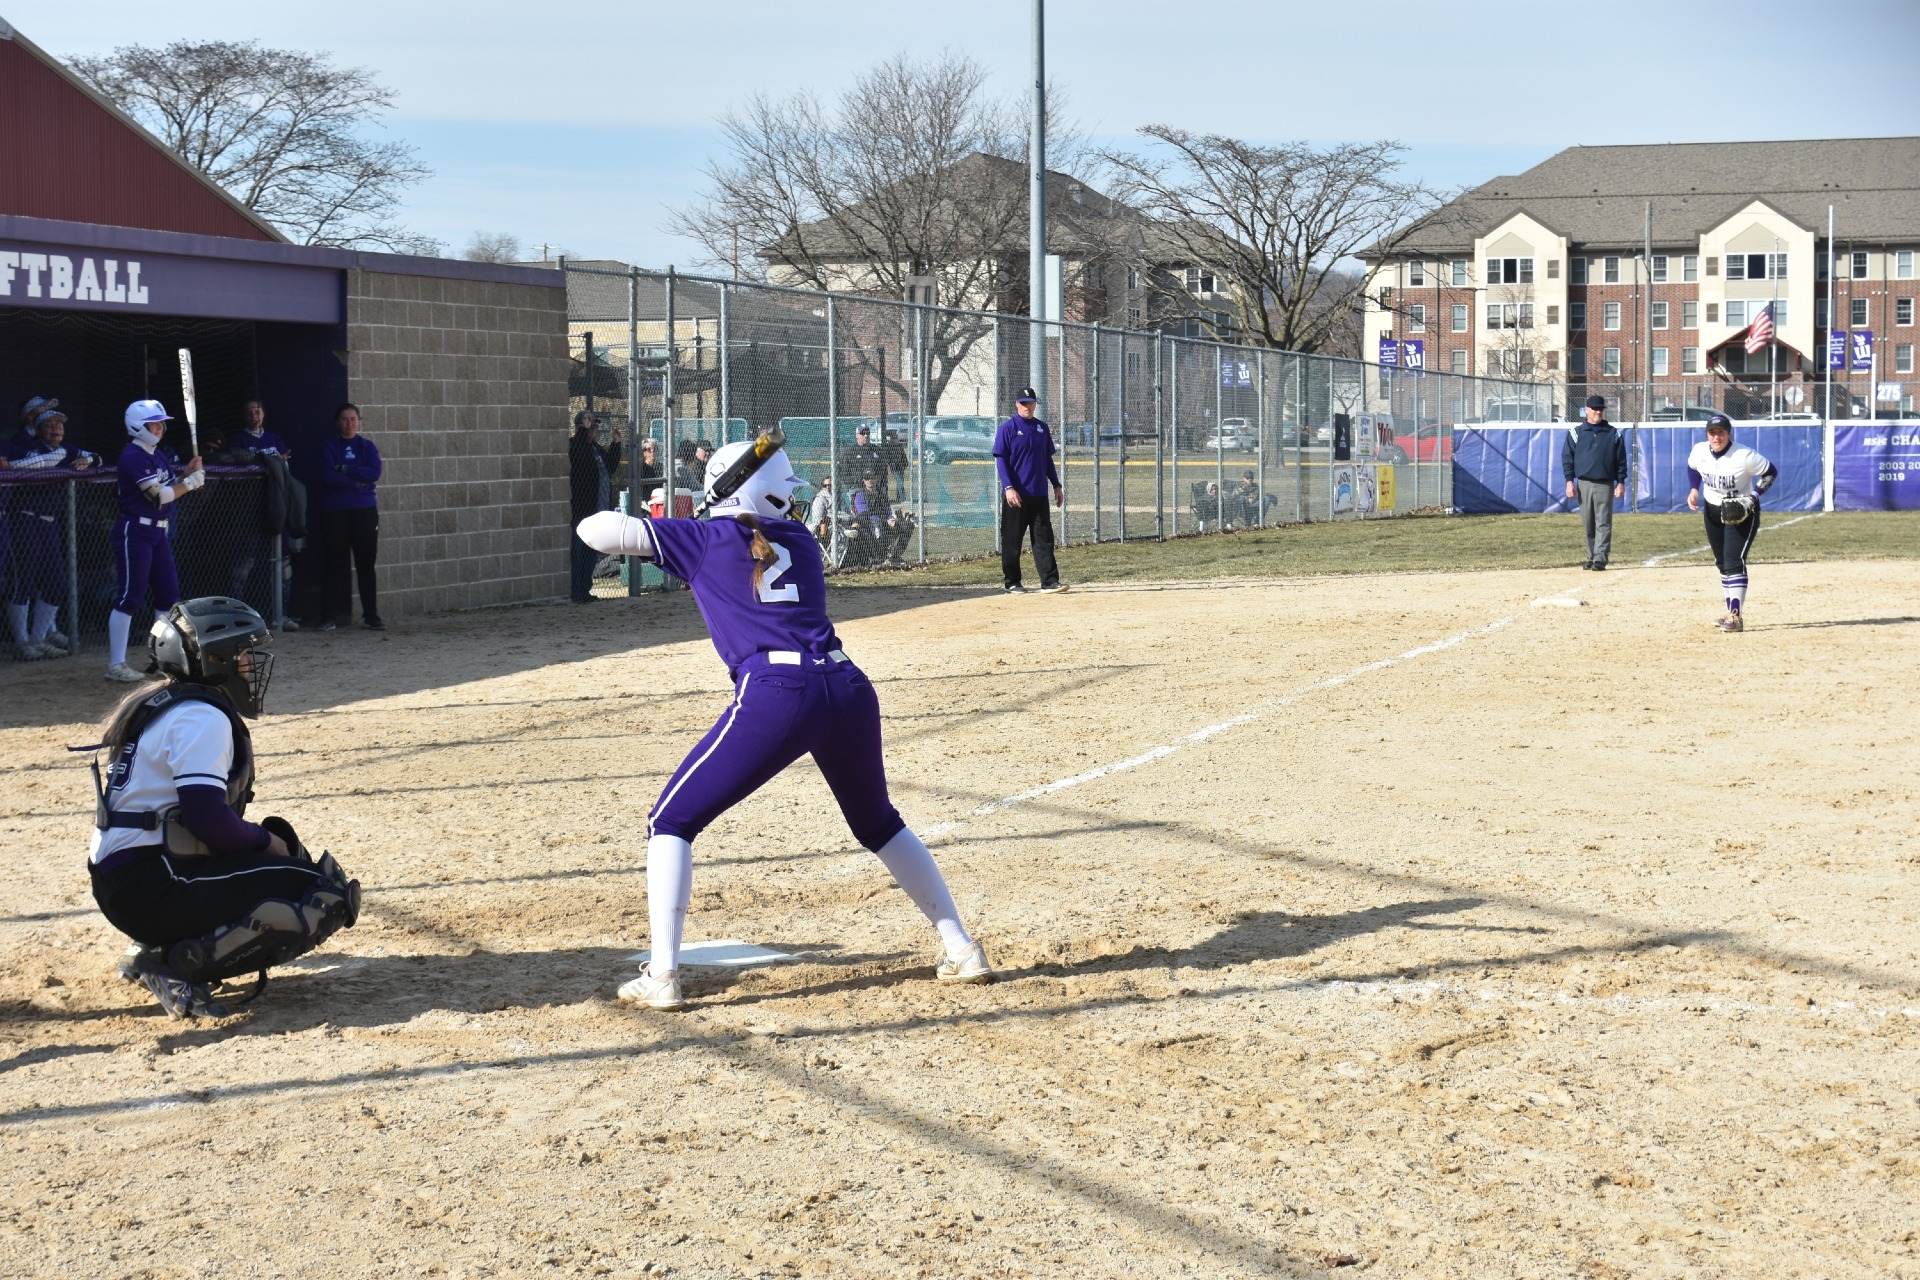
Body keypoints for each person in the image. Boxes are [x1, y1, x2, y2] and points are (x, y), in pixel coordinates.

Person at [575, 437, 992, 1010]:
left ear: (723, 492)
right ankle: (962, 947)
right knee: (878, 824)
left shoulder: (708, 537)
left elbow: (593, 531)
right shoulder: (798, 538)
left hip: (778, 692)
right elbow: (751, 543)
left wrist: (688, 519)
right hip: (846, 687)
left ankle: (664, 976)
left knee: (670, 820)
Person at [86, 596, 360, 1019]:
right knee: (323, 893)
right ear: (216, 659)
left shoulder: (165, 704)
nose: (252, 662)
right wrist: (265, 842)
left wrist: (267, 842)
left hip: (132, 878)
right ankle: (173, 964)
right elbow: (205, 818)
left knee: (285, 848)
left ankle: (158, 941)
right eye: (244, 652)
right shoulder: (200, 716)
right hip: (151, 881)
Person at [106, 400, 203, 682]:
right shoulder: (133, 456)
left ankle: (164, 659)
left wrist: (187, 472)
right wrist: (191, 483)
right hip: (135, 531)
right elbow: (158, 495)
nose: (159, 428)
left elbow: (173, 483)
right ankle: (116, 665)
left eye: (161, 423)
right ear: (138, 427)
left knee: (169, 595)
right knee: (131, 596)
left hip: (158, 532)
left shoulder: (157, 454)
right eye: (153, 423)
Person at [4, 405, 93, 658]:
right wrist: (69, 457)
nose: (56, 429)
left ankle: (39, 639)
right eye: (49, 425)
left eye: (59, 425)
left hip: (49, 523)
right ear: (38, 430)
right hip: (24, 520)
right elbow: (36, 462)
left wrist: (88, 459)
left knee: (57, 583)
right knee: (24, 580)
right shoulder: (31, 448)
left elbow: (94, 456)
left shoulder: (66, 450)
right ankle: (22, 643)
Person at [1686, 415, 1777, 633]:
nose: (1716, 437)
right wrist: (1694, 489)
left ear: (1729, 434)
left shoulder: (1744, 455)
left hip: (1741, 511)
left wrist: (1753, 496)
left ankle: (1736, 617)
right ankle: (1729, 612)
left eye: (1721, 432)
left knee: (1734, 561)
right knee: (1722, 562)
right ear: (1707, 434)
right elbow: (1692, 467)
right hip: (1712, 510)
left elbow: (1770, 472)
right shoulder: (1699, 450)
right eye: (1712, 432)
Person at [317, 402, 383, 631]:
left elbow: (374, 472)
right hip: (335, 512)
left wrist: (344, 468)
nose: (349, 424)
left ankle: (371, 615)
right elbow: (328, 476)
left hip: (364, 511)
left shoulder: (367, 446)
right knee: (334, 565)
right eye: (345, 419)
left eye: (353, 419)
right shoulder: (329, 447)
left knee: (366, 564)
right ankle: (329, 617)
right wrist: (357, 482)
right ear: (338, 422)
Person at [993, 387, 1065, 593]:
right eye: (1023, 403)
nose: (1027, 407)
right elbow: (1001, 460)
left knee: (1044, 539)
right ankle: (1012, 582)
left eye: (1030, 403)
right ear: (1017, 404)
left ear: (1035, 404)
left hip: (1039, 493)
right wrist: (1008, 488)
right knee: (1012, 540)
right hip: (1016, 495)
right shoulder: (1007, 428)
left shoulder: (1041, 428)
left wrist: (1056, 485)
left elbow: (1047, 459)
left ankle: (1049, 581)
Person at [1561, 394, 1627, 570]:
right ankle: (1591, 557)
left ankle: (1600, 558)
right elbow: (1567, 458)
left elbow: (1621, 461)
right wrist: (1569, 482)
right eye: (1595, 409)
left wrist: (1620, 482)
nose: (1598, 412)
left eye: (1601, 409)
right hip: (1583, 483)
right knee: (1588, 522)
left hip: (1605, 483)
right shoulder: (1576, 433)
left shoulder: (1613, 433)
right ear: (1587, 410)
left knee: (1603, 522)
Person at [568, 411, 623, 602]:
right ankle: (576, 590)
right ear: (579, 428)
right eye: (590, 427)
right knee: (579, 550)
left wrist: (616, 444)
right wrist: (583, 430)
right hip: (581, 508)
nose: (594, 431)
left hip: (596, 509)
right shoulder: (575, 446)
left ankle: (585, 589)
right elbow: (579, 457)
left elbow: (611, 466)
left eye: (595, 428)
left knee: (591, 550)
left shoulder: (596, 449)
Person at [846, 424, 887, 489]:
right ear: (857, 435)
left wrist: (881, 484)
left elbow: (884, 469)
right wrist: (851, 485)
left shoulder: (878, 450)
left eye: (867, 433)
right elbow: (844, 470)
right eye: (862, 433)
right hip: (857, 488)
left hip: (876, 488)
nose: (866, 435)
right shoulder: (850, 452)